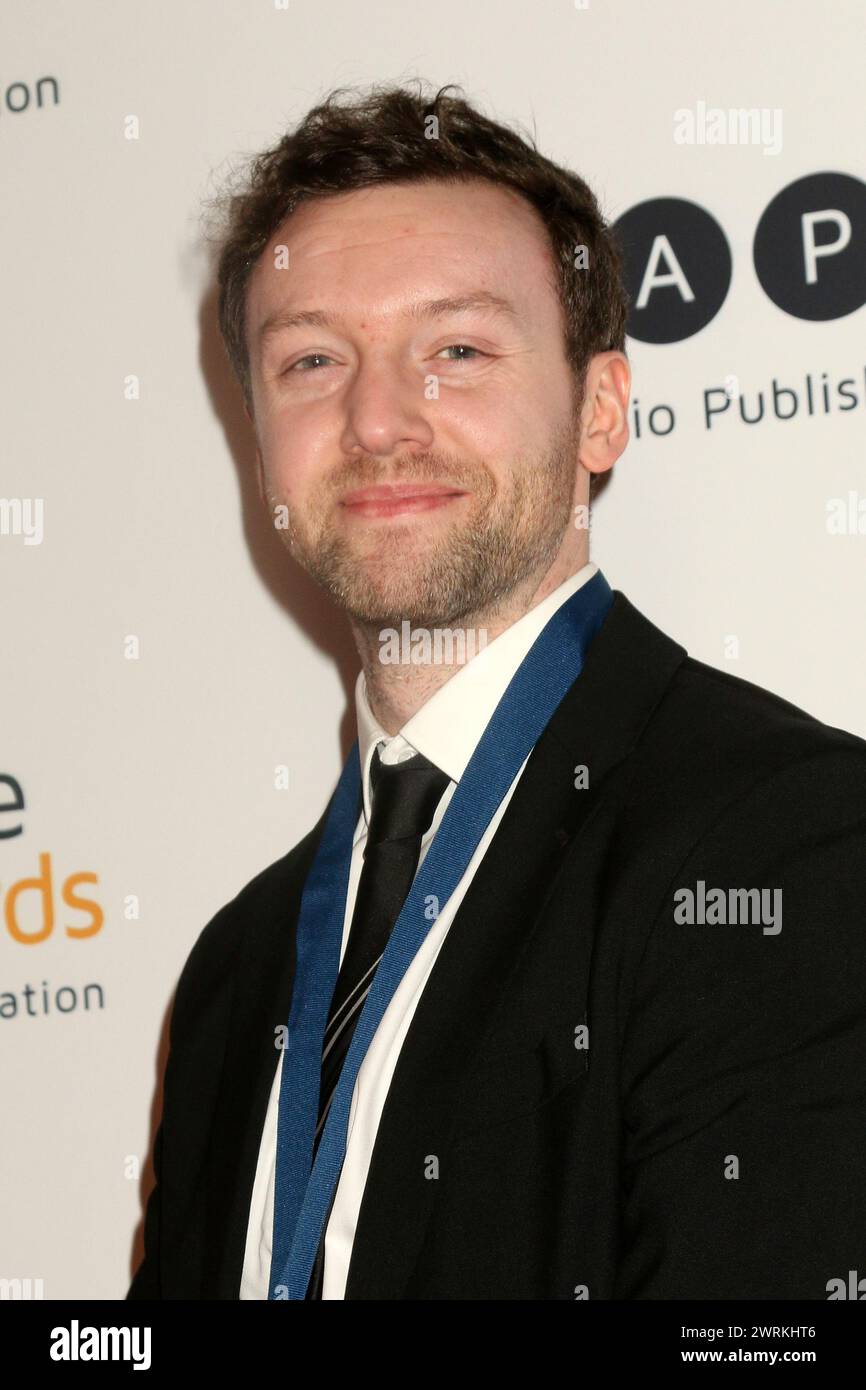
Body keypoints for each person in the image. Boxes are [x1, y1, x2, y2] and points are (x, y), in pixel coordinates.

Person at [127, 81, 866, 1301]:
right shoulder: (237, 967)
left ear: (598, 410)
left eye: (455, 350)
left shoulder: (787, 840)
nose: (375, 420)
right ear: (258, 442)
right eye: (312, 360)